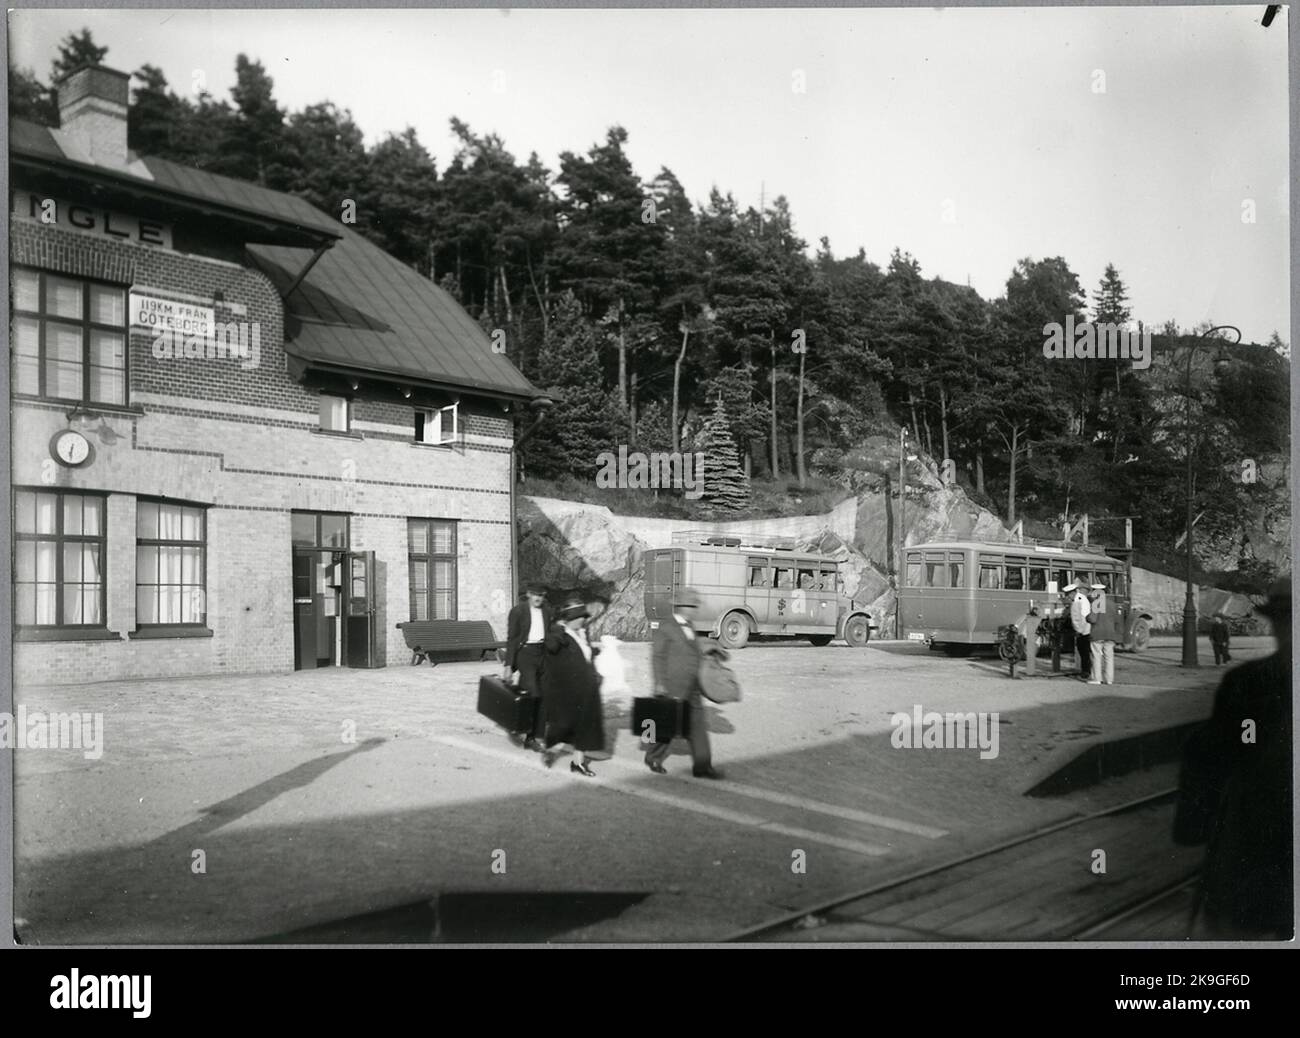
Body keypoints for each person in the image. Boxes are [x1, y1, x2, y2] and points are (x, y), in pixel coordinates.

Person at [1174, 577, 1292, 939]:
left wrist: (1195, 826)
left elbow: (1207, 758)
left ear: (1275, 623)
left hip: (1255, 852)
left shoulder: (1248, 683)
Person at [645, 586, 725, 779]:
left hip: (693, 685)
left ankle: (702, 766)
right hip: (672, 684)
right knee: (667, 726)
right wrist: (659, 683)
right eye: (692, 606)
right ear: (681, 606)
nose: (694, 610)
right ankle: (653, 757)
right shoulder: (666, 627)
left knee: (697, 726)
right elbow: (658, 657)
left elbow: (692, 652)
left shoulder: (690, 626)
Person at [539, 595, 605, 777]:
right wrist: (560, 628)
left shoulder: (582, 634)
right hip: (567, 689)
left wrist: (594, 656)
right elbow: (551, 647)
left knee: (584, 725)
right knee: (564, 724)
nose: (583, 620)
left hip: (586, 687)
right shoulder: (559, 634)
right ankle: (551, 749)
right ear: (570, 619)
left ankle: (578, 763)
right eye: (579, 617)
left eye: (584, 617)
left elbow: (584, 655)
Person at [504, 581, 554, 751]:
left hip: (543, 653)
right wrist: (508, 665)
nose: (538, 598)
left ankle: (536, 736)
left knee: (545, 695)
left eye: (541, 595)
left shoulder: (547, 611)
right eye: (535, 595)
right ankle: (523, 731)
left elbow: (551, 634)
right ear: (529, 595)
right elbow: (512, 638)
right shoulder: (518, 611)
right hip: (525, 653)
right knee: (533, 692)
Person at [1086, 583, 1120, 685]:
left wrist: (1086, 617)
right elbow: (1117, 620)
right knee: (1109, 657)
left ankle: (1097, 678)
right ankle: (1109, 679)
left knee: (1097, 656)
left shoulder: (1097, 603)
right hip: (1110, 634)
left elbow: (1092, 618)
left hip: (1098, 633)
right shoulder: (1112, 604)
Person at [1067, 583, 1092, 679]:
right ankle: (1086, 670)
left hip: (1083, 631)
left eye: (1068, 594)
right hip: (1086, 629)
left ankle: (1085, 671)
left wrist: (1078, 630)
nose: (1067, 597)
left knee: (1083, 652)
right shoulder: (1082, 598)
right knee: (1085, 652)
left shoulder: (1077, 601)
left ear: (1072, 593)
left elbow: (1077, 619)